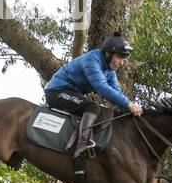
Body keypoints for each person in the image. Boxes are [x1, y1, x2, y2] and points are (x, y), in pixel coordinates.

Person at [44, 32, 143, 161]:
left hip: (72, 93)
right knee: (92, 107)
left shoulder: (109, 70)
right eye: (120, 57)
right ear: (108, 54)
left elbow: (116, 91)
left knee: (99, 111)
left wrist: (127, 107)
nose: (122, 62)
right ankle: (82, 146)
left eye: (124, 59)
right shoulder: (92, 60)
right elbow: (102, 88)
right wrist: (128, 104)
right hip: (56, 92)